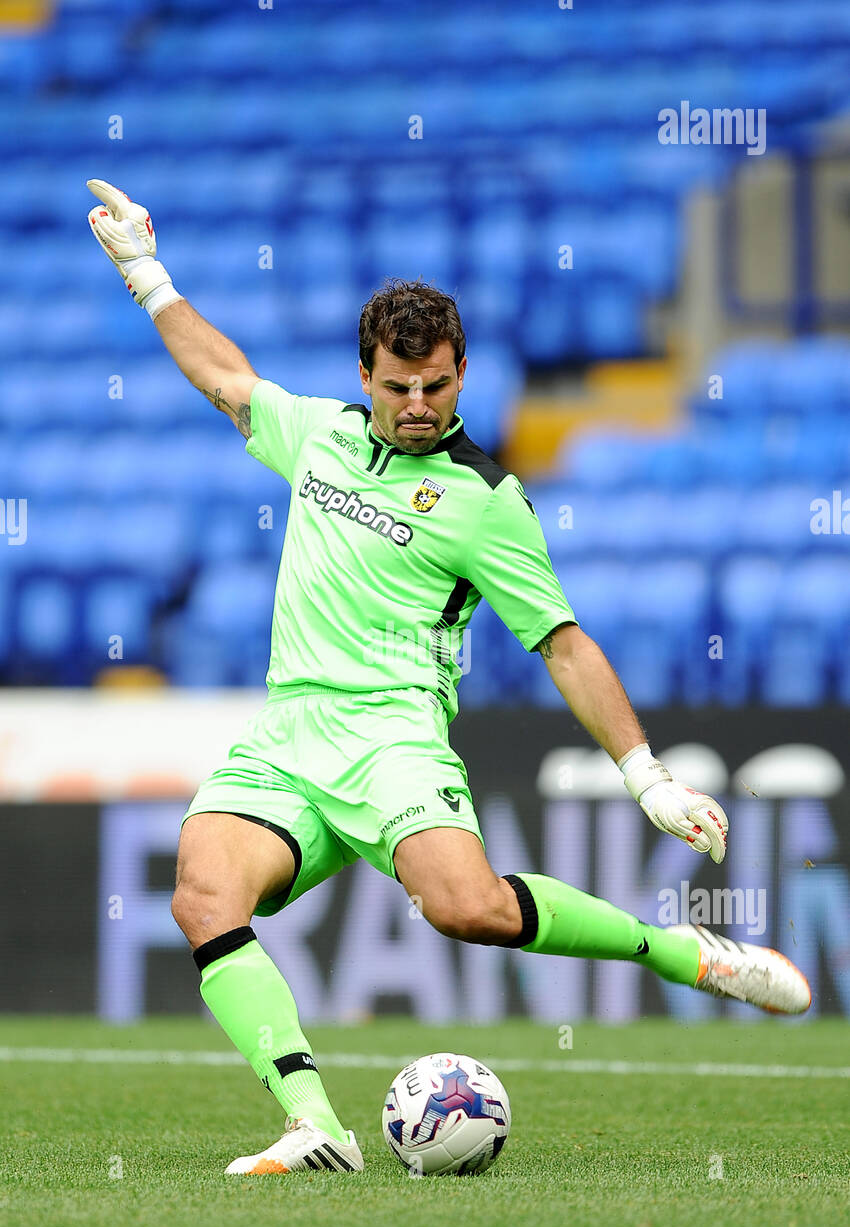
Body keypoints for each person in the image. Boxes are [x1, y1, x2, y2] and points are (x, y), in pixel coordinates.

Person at [87, 179, 811, 1176]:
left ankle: (686, 955)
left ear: (463, 374)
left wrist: (645, 775)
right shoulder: (320, 437)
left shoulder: (484, 502)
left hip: (394, 737)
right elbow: (225, 377)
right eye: (397, 386)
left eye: (436, 385)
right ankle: (312, 1123)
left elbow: (561, 640)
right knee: (204, 896)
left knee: (464, 908)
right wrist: (144, 269)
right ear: (365, 374)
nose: (417, 405)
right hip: (289, 736)